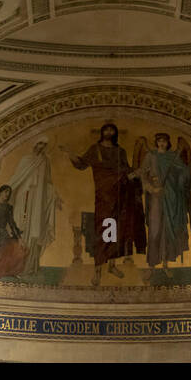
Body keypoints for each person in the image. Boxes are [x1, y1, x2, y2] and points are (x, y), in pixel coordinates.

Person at [64, 122, 146, 286]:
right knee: (102, 233)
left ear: (114, 133)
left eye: (112, 130)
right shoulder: (96, 150)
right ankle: (97, 272)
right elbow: (81, 163)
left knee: (116, 232)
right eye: (106, 129)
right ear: (102, 132)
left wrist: (136, 174)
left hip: (119, 196)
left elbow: (126, 169)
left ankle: (112, 266)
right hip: (103, 197)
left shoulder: (120, 151)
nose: (109, 132)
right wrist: (70, 153)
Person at [130, 133, 191, 278]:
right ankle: (151, 266)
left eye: (164, 141)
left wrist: (183, 178)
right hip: (156, 197)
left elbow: (185, 172)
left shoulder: (173, 157)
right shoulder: (151, 156)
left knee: (167, 231)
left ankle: (165, 264)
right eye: (159, 141)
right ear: (156, 142)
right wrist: (151, 188)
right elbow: (143, 173)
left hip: (172, 198)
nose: (162, 144)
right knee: (154, 230)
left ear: (168, 143)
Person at [8, 138, 62, 276]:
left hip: (38, 202)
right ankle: (16, 266)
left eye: (44, 144)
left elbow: (48, 182)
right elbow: (17, 178)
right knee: (21, 228)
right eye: (39, 143)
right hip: (23, 199)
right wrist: (5, 194)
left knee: (35, 230)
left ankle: (30, 267)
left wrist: (55, 196)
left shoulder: (45, 161)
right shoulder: (26, 160)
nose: (41, 147)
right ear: (34, 144)